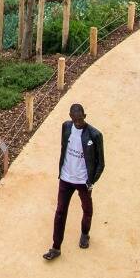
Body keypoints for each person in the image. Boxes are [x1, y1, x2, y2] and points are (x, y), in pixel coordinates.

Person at [43, 102, 104, 258]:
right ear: (70, 117)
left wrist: (91, 181)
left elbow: (101, 163)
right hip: (65, 178)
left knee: (87, 209)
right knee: (60, 212)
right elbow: (63, 148)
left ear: (85, 116)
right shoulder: (66, 127)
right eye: (75, 119)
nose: (78, 122)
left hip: (83, 181)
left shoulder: (95, 135)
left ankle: (85, 233)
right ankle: (56, 248)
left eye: (80, 119)